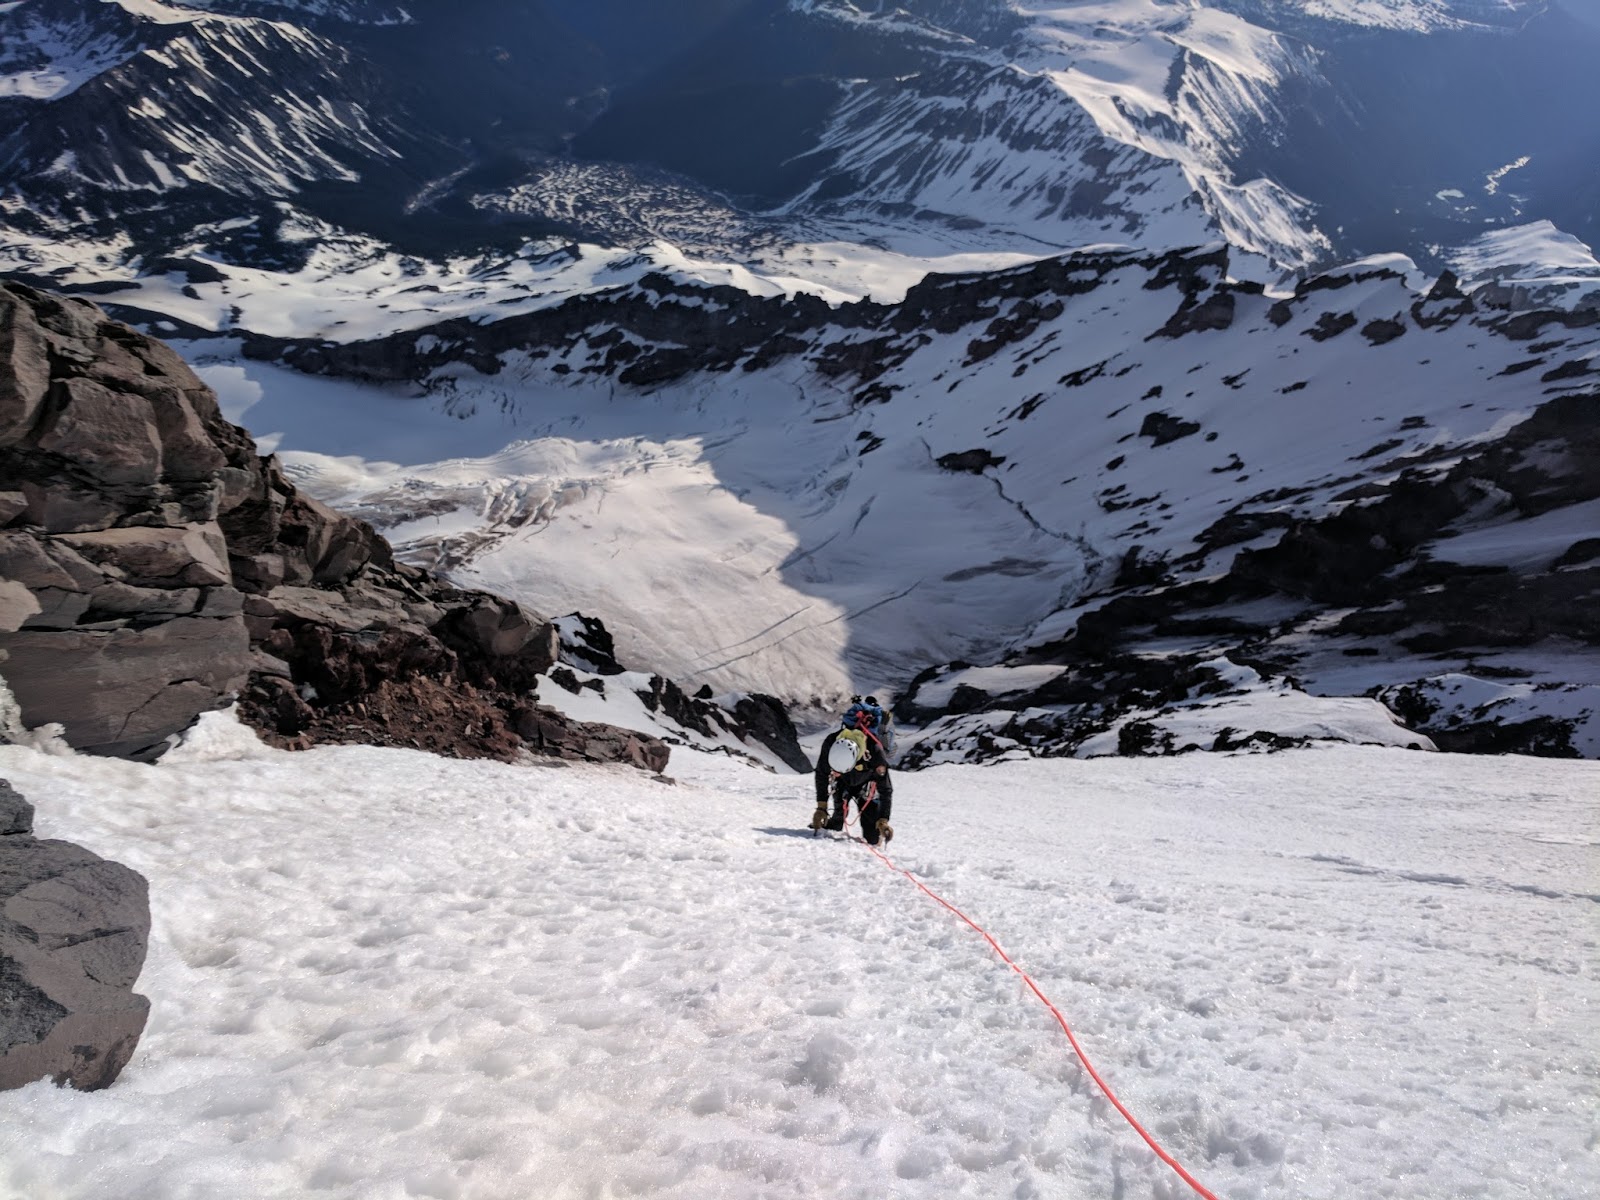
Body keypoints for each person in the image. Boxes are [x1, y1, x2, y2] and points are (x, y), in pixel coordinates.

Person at [812, 695, 894, 844]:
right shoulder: (831, 742)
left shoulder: (875, 750)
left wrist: (883, 819)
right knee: (837, 821)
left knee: (873, 837)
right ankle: (835, 821)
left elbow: (885, 788)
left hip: (865, 784)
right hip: (842, 782)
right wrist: (821, 807)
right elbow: (822, 773)